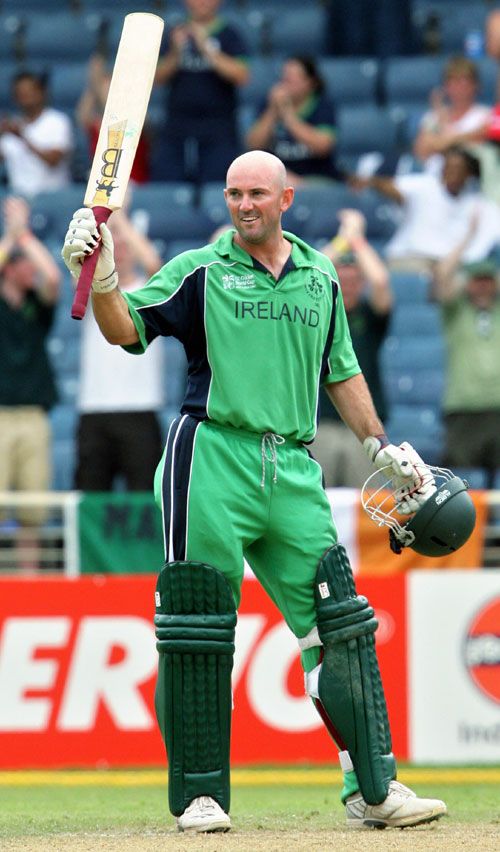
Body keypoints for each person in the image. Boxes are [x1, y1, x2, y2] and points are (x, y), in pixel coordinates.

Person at [62, 150, 446, 833]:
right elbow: (125, 330)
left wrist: (382, 447)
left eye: (258, 194)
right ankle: (200, 796)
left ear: (286, 200)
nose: (244, 205)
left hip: (292, 467)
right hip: (209, 455)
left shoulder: (321, 276)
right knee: (198, 627)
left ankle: (374, 788)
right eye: (235, 193)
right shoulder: (201, 271)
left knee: (343, 625)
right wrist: (103, 277)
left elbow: (343, 372)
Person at [75, 209, 164, 491]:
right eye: (116, 248)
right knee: (91, 501)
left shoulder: (149, 291)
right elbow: (79, 273)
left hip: (141, 408)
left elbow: (154, 264)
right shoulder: (94, 292)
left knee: (145, 503)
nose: (121, 253)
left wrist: (120, 216)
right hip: (94, 410)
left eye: (126, 247)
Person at [312, 209, 392, 487]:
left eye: (353, 278)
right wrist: (343, 239)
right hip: (322, 422)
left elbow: (381, 280)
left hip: (364, 427)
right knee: (319, 502)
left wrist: (356, 240)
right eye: (340, 278)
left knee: (368, 507)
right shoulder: (318, 315)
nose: (347, 284)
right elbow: (307, 272)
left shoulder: (368, 315)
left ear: (361, 281)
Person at [0, 196, 60, 552]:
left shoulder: (36, 307)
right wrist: (12, 238)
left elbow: (52, 276)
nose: (31, 271)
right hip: (1, 415)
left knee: (33, 512)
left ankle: (29, 581)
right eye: (23, 265)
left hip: (34, 415)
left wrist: (24, 238)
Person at [356, 146, 500, 274]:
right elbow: (393, 189)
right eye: (448, 167)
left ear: (469, 174)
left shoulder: (478, 204)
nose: (452, 173)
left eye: (459, 169)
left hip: (451, 267)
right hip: (411, 257)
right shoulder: (424, 186)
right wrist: (371, 181)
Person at [433, 222, 500, 488]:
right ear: (467, 283)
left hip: (498, 408)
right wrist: (468, 238)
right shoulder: (456, 311)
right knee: (462, 483)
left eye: (488, 281)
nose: (482, 287)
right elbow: (442, 277)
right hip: (463, 408)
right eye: (477, 281)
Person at [154, 0, 249, 183]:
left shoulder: (230, 34)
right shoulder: (174, 34)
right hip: (177, 124)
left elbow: (242, 76)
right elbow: (156, 79)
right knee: (168, 182)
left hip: (219, 125)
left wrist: (206, 47)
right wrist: (175, 52)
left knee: (220, 184)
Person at [246, 56, 337, 186]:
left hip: (316, 178)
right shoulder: (267, 104)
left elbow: (323, 147)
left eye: (293, 78)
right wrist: (272, 111)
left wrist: (288, 116)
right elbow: (253, 145)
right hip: (276, 178)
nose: (285, 82)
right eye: (284, 77)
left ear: (309, 82)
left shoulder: (323, 106)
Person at [76, 54, 150, 185]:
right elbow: (81, 116)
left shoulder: (136, 118)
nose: (106, 92)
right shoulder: (96, 124)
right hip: (102, 186)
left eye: (112, 88)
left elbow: (118, 118)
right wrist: (93, 83)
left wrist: (98, 84)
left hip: (132, 185)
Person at [413, 56, 492, 177]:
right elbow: (421, 151)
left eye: (463, 81)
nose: (458, 88)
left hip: (470, 184)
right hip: (433, 180)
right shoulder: (433, 117)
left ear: (476, 85)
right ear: (445, 86)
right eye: (453, 81)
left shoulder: (486, 115)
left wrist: (440, 141)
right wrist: (461, 138)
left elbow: (476, 152)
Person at [0, 71, 73, 197]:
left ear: (42, 92)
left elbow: (53, 161)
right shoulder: (11, 126)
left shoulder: (57, 121)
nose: (25, 97)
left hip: (54, 197)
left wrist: (23, 138)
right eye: (20, 93)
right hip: (18, 199)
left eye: (29, 92)